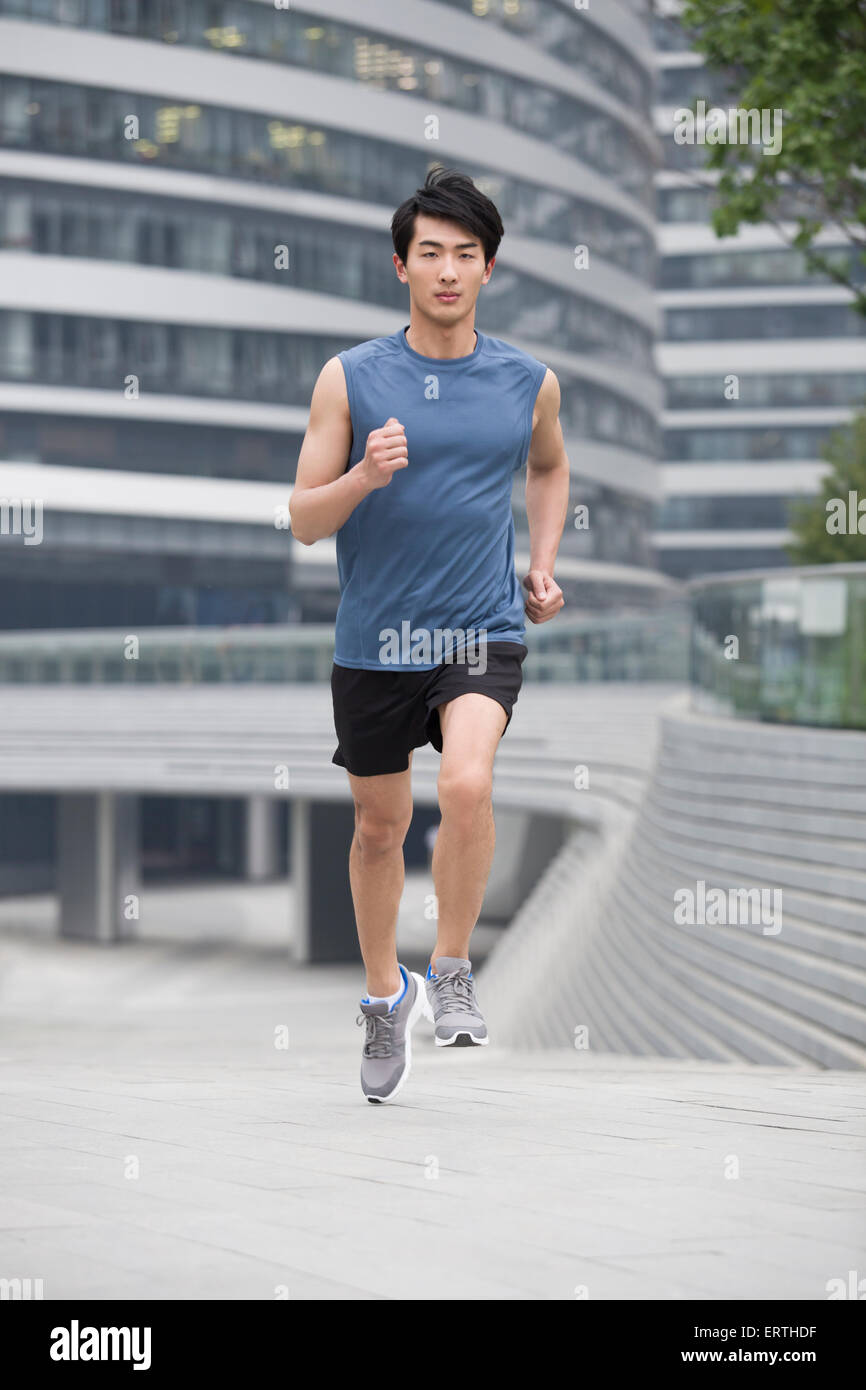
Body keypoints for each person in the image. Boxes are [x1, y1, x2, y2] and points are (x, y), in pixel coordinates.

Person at [289, 166, 569, 1103]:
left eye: (466, 255)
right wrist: (364, 476)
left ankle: (450, 968)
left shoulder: (529, 382)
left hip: (479, 630)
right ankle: (383, 996)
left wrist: (542, 558)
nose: (448, 270)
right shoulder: (351, 378)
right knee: (379, 827)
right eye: (430, 254)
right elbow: (302, 520)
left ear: (488, 268)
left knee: (468, 778)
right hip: (375, 641)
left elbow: (550, 468)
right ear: (400, 266)